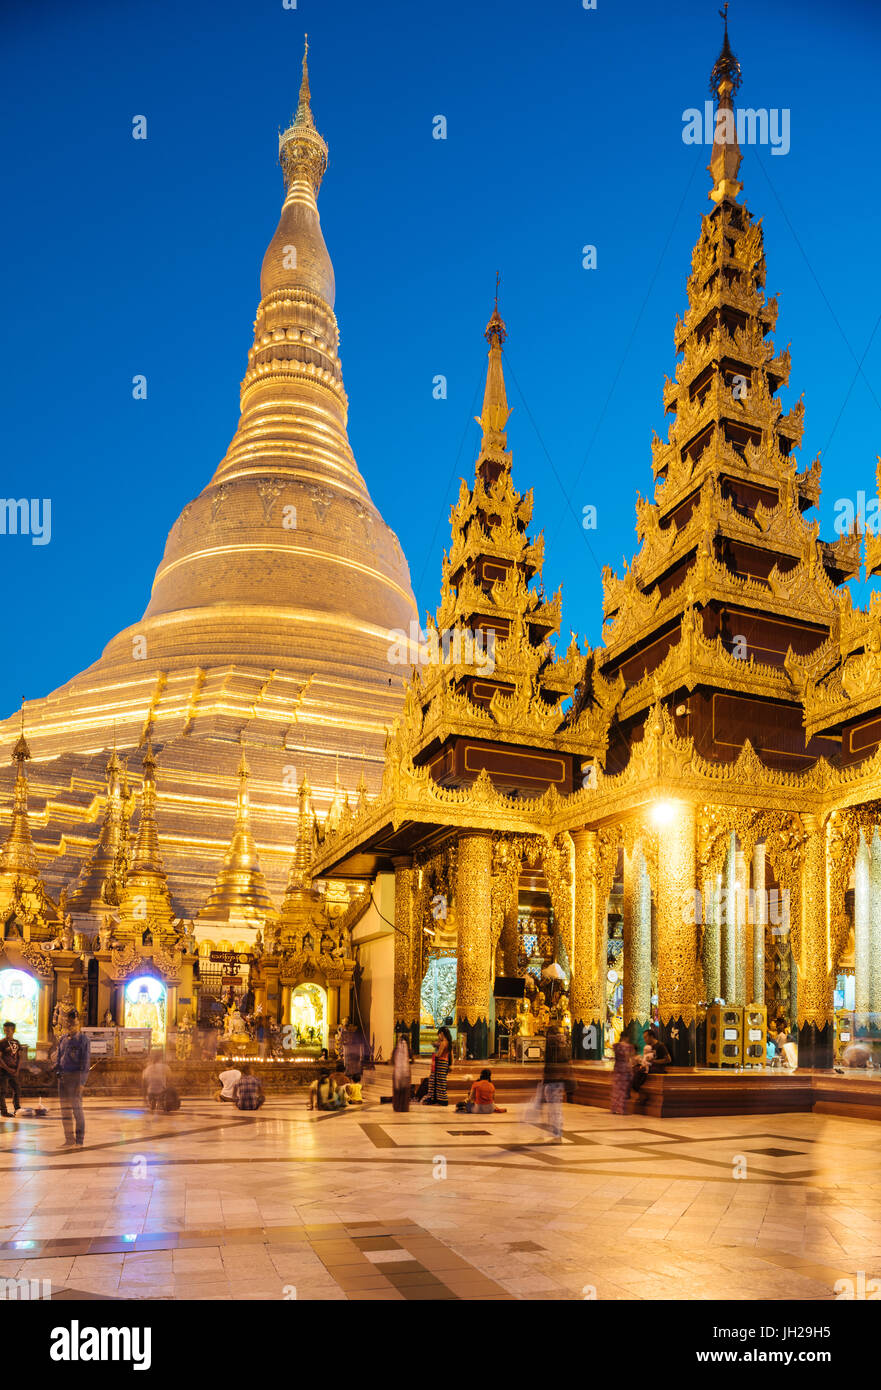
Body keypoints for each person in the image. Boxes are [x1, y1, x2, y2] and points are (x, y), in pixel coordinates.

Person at [55, 1010, 91, 1148]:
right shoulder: (63, 1039)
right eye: (69, 1023)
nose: (71, 1026)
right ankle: (69, 1139)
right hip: (63, 1079)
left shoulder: (83, 1040)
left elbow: (86, 1062)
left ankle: (79, 1140)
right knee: (65, 1111)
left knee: (77, 1109)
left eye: (74, 1023)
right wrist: (57, 1073)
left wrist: (82, 1083)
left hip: (75, 1078)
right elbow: (59, 1058)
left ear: (78, 1024)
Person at [541, 1028, 573, 1141]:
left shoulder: (551, 1046)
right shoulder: (564, 1048)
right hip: (559, 1081)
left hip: (552, 1081)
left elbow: (548, 1067)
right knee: (556, 1107)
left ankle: (557, 1132)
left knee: (554, 1108)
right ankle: (556, 1131)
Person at [0, 1021, 22, 1118]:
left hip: (14, 1070)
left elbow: (19, 1057)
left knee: (17, 1089)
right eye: (5, 1031)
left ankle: (17, 1108)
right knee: (2, 1091)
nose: (6, 1033)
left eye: (8, 1031)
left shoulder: (16, 1042)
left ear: (13, 1031)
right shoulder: (2, 1043)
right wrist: (7, 1068)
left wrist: (17, 1070)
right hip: (3, 1071)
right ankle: (4, 1111)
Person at [425, 1026, 452, 1106]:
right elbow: (451, 1056)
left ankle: (440, 1100)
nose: (438, 1036)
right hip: (445, 1063)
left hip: (440, 1063)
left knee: (438, 1082)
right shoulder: (448, 1042)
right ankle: (440, 1099)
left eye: (439, 1034)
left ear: (442, 1033)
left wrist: (434, 1055)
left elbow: (439, 1054)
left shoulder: (443, 1043)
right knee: (441, 1081)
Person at [610, 1034, 635, 1115]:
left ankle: (614, 1108)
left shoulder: (616, 1046)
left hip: (617, 1068)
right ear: (626, 1037)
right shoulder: (629, 1047)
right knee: (623, 1090)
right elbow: (629, 1058)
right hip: (625, 1069)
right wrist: (631, 1071)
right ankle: (621, 1109)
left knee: (616, 1089)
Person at [392, 1035, 411, 1112]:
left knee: (398, 1091)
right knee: (405, 1091)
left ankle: (397, 1107)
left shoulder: (396, 1049)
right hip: (406, 1073)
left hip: (397, 1073)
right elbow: (412, 1060)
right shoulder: (408, 1050)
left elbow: (393, 1060)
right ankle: (404, 1108)